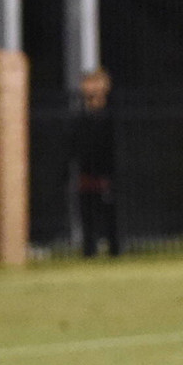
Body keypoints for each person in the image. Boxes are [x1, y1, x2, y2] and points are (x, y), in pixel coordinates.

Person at [74, 67, 120, 257]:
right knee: (87, 213)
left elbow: (115, 147)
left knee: (111, 214)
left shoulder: (111, 117)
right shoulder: (79, 119)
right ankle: (89, 250)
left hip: (108, 172)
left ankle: (115, 249)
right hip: (86, 172)